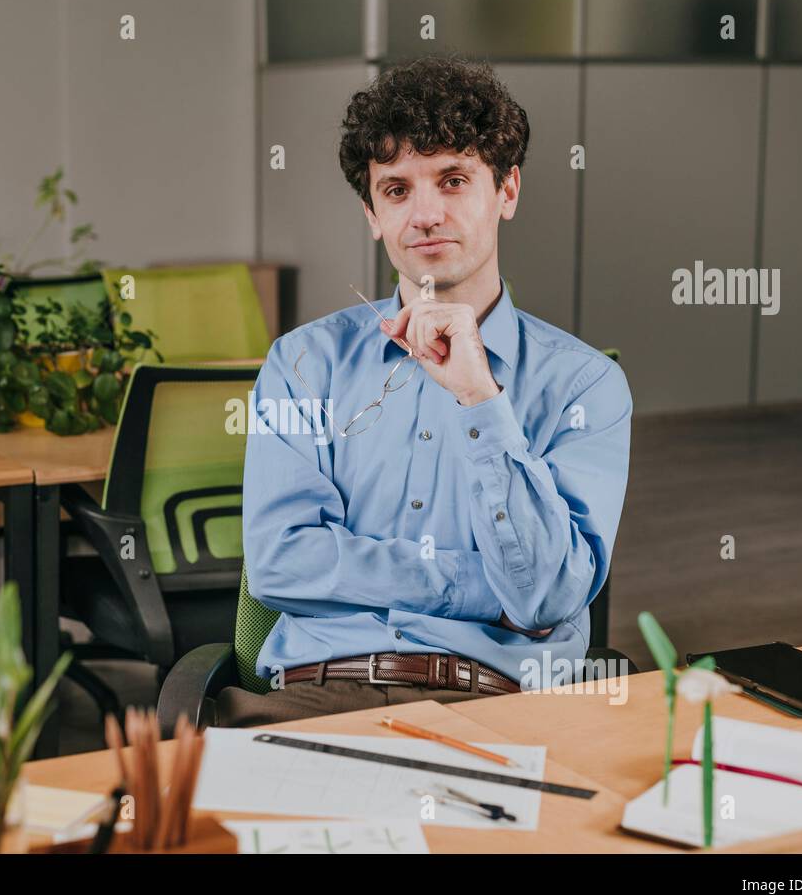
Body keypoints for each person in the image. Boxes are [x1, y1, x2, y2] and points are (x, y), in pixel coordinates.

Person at [213, 56, 632, 727]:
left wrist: (481, 399)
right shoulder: (303, 363)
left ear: (508, 191)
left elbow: (547, 597)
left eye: (454, 179)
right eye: (397, 190)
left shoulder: (584, 385)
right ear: (373, 215)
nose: (426, 213)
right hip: (316, 696)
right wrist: (478, 588)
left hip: (496, 704)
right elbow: (279, 564)